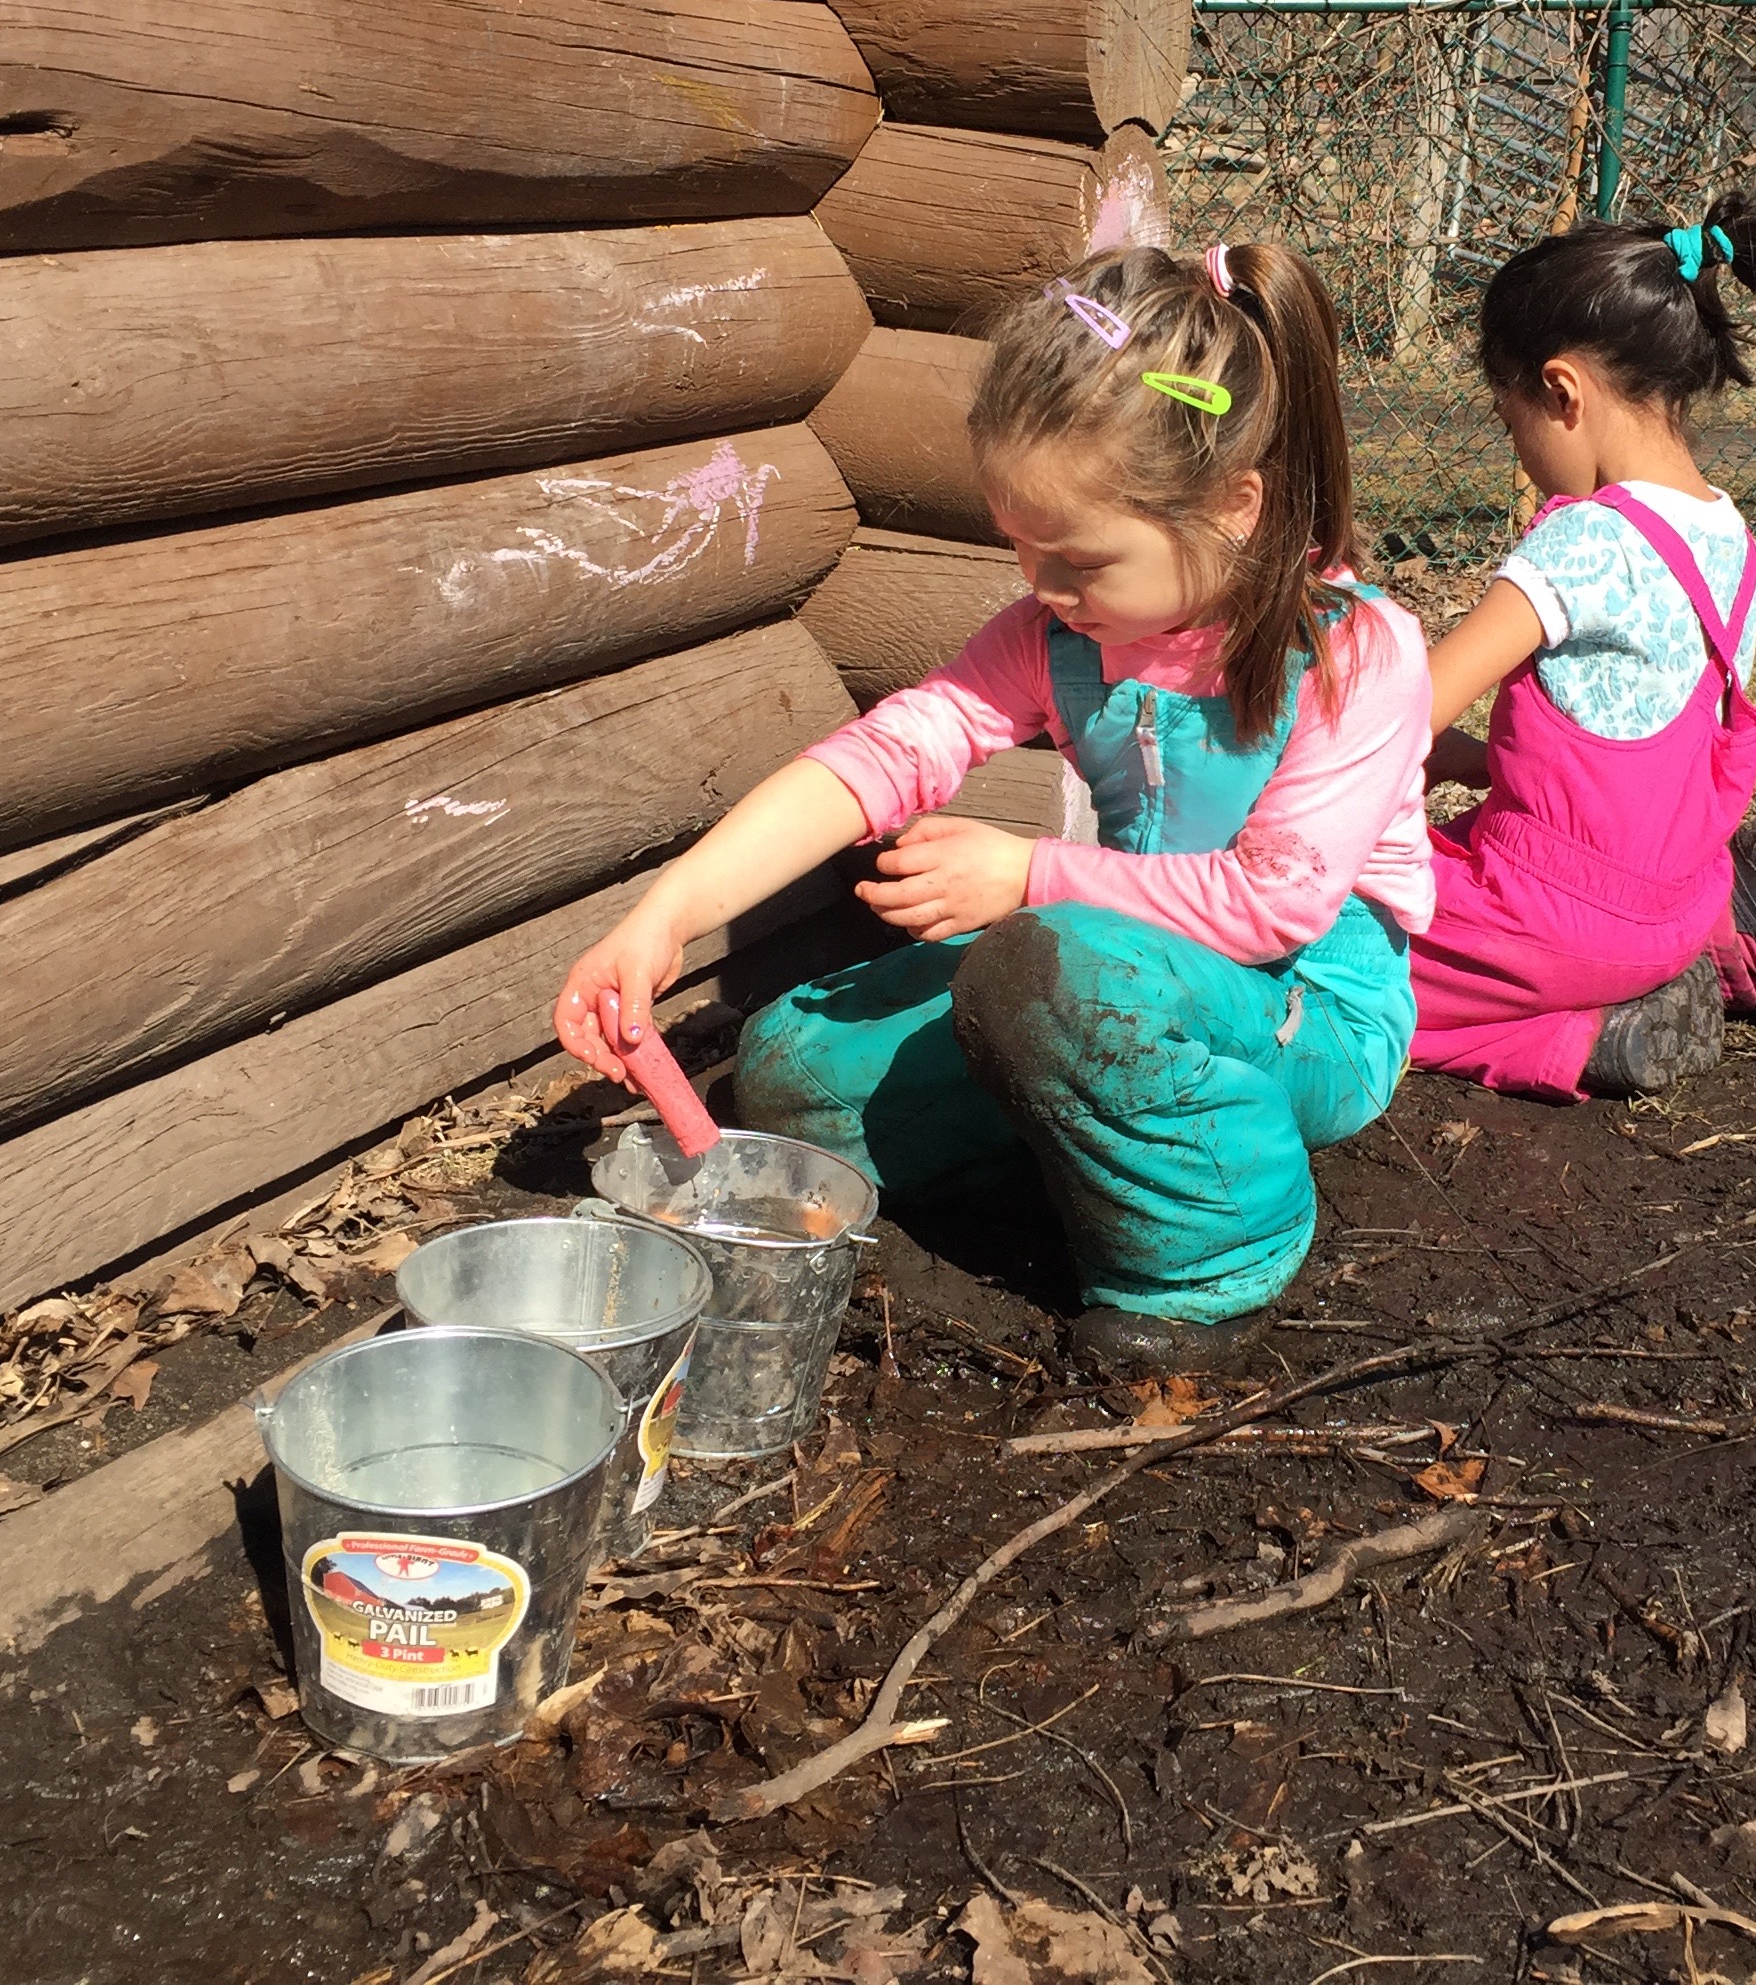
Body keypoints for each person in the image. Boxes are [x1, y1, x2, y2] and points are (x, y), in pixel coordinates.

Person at [552, 242, 1434, 1377]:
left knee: (1035, 972)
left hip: (1312, 1008)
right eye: (1019, 548)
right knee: (790, 1071)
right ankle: (1090, 1130)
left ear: (1234, 508)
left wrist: (1027, 876)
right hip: (1112, 975)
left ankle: (1215, 1264)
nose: (1041, 589)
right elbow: (882, 756)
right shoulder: (1057, 639)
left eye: (1075, 558)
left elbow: (1278, 906)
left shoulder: (1355, 653)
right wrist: (663, 917)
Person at [1406, 193, 1756, 1103]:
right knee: (1564, 902)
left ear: (1562, 393)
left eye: (1512, 424)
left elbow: (1400, 716)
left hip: (1549, 925)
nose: (1520, 454)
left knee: (1332, 954)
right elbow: (1629, 770)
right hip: (1669, 901)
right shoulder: (1735, 547)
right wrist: (1473, 763)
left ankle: (1583, 1035)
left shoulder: (1579, 543)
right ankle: (1739, 941)